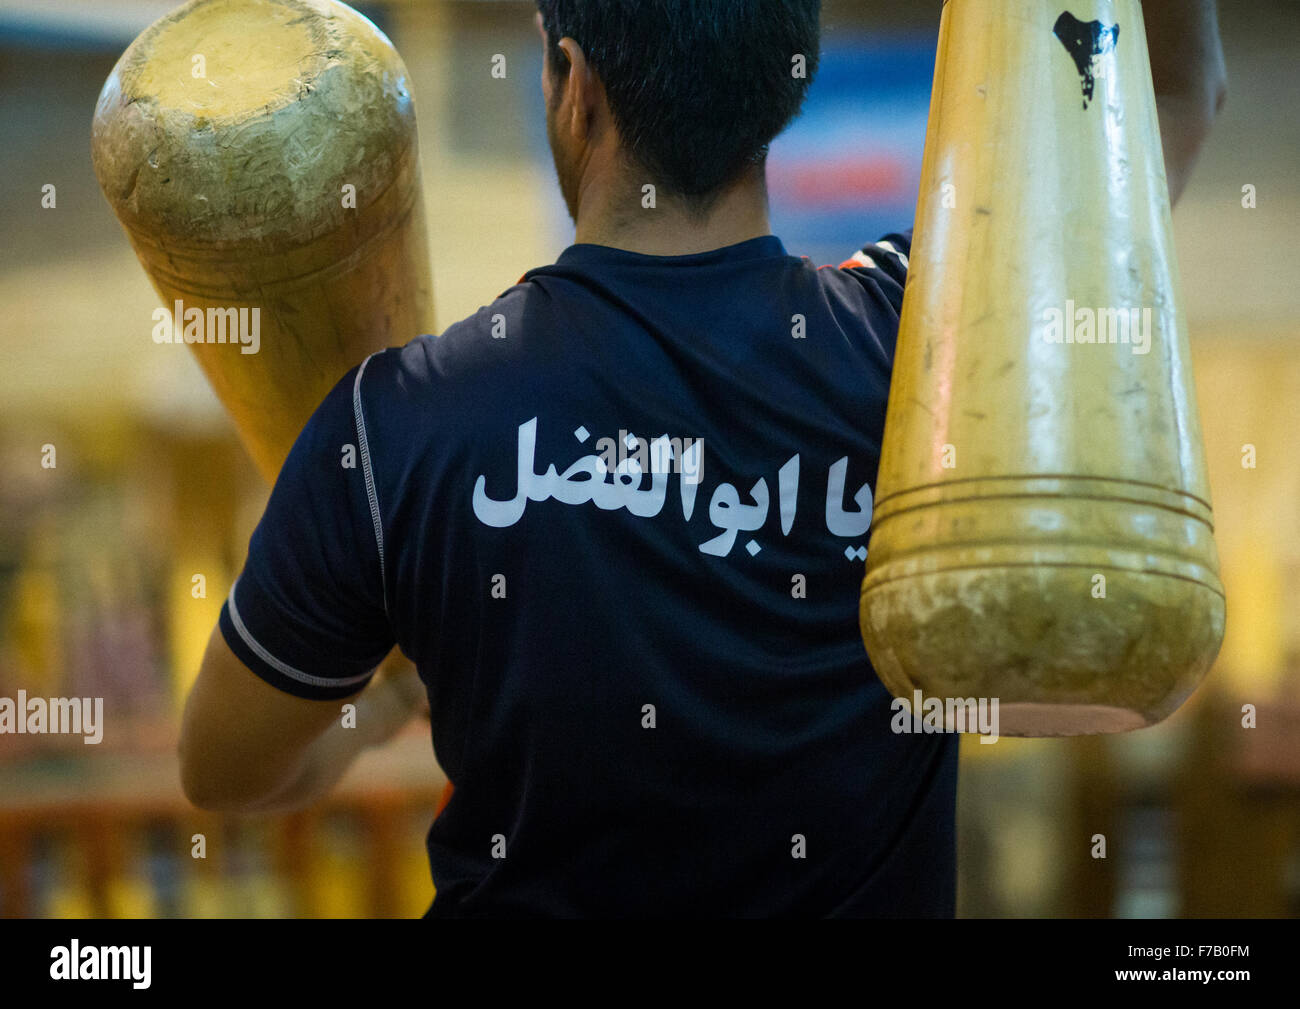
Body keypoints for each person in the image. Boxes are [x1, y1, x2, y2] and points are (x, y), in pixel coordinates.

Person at [178, 0, 1227, 916]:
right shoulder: (934, 342)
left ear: (575, 87)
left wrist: (379, 711)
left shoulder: (393, 422)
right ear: (785, 93)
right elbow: (1175, 96)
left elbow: (223, 767)